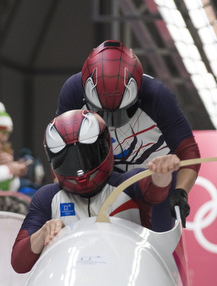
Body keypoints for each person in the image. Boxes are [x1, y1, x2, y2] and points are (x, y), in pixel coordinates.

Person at [55, 39, 201, 231]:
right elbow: (58, 147)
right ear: (86, 95)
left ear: (138, 94)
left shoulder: (158, 97)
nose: (112, 122)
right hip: (101, 177)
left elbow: (188, 152)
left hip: (154, 179)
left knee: (158, 234)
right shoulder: (73, 91)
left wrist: (181, 192)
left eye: (121, 113)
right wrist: (60, 194)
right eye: (102, 113)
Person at [11, 109, 179, 273]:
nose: (80, 170)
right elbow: (19, 263)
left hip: (128, 282)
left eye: (86, 156)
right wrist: (43, 234)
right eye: (68, 160)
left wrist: (162, 173)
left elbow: (157, 191)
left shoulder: (129, 184)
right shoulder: (47, 197)